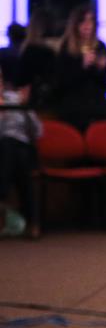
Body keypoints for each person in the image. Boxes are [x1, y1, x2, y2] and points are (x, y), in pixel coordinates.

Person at [52, 5, 106, 132]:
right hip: (73, 112)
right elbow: (60, 84)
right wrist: (82, 66)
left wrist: (100, 69)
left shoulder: (100, 46)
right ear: (75, 25)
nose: (87, 25)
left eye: (91, 20)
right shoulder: (65, 48)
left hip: (98, 110)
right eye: (83, 21)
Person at [0, 60, 39, 237]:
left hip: (19, 148)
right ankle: (32, 221)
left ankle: (3, 196)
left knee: (16, 152)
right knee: (10, 148)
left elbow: (37, 132)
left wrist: (25, 109)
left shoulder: (16, 100)